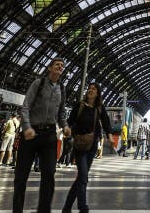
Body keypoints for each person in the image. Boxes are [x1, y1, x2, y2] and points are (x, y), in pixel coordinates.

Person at [12, 57, 69, 213]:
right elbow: (25, 107)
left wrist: (64, 126)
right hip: (31, 134)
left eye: (62, 66)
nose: (60, 67)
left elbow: (61, 112)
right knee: (21, 176)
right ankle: (17, 210)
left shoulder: (62, 89)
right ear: (49, 68)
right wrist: (27, 127)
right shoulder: (39, 84)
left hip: (49, 134)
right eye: (57, 64)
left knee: (49, 174)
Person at [62, 83, 113, 213]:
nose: (91, 90)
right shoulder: (79, 105)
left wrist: (110, 136)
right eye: (89, 88)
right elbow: (70, 120)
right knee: (83, 176)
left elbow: (106, 122)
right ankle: (83, 207)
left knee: (81, 178)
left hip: (92, 146)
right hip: (79, 145)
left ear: (97, 93)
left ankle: (67, 208)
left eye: (94, 89)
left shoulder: (99, 108)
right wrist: (67, 128)